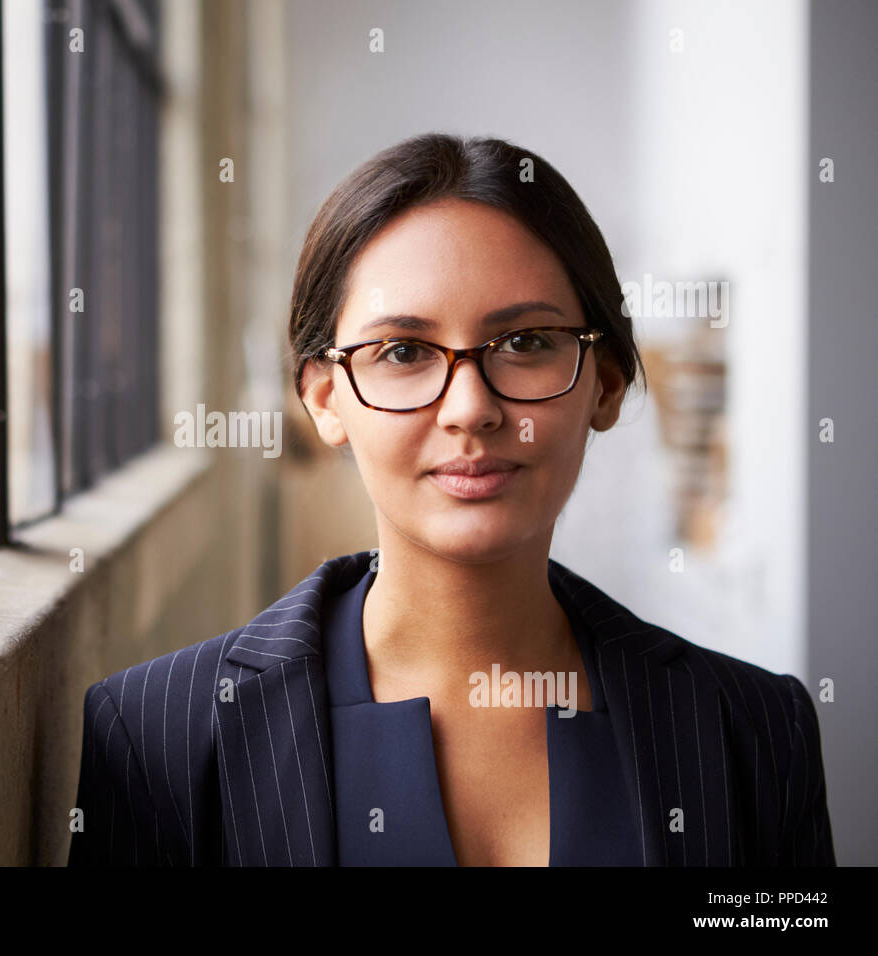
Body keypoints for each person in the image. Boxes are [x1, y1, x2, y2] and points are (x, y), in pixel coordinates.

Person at [66, 133, 835, 866]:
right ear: (326, 399)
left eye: (527, 342)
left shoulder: (755, 734)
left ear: (605, 383)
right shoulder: (156, 739)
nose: (470, 408)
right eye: (403, 352)